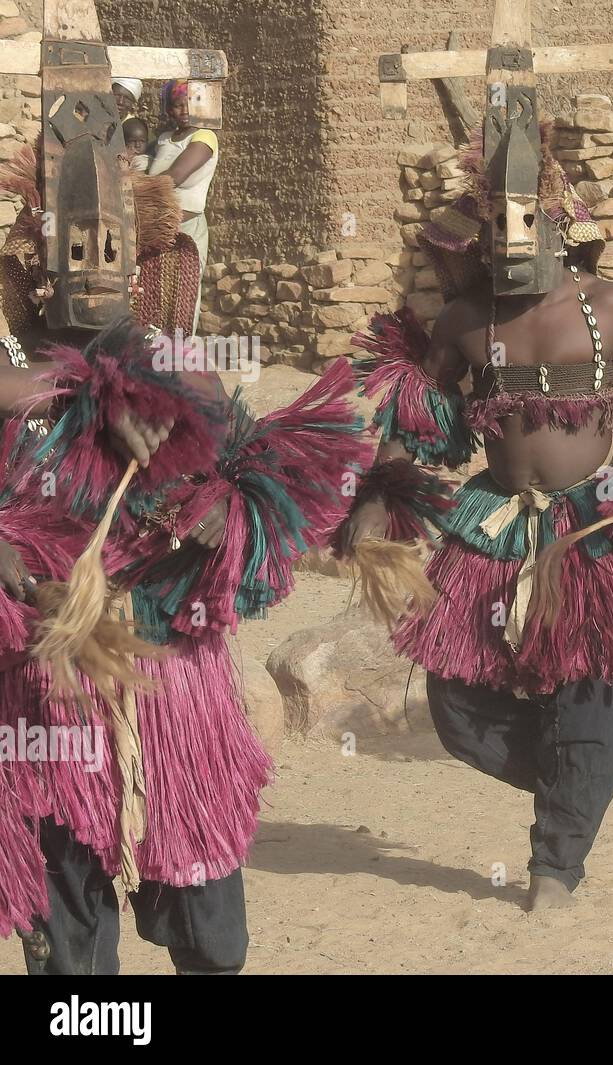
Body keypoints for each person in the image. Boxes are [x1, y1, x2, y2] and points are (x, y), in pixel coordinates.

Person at [0, 69, 369, 972]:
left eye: (106, 247)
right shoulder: (14, 386)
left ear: (140, 255)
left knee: (210, 926)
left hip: (172, 671)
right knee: (71, 935)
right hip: (49, 681)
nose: (88, 265)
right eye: (69, 247)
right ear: (38, 256)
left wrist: (221, 510)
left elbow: (268, 485)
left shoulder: (186, 375)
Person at [334, 106, 613, 911]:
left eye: (526, 231)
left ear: (559, 228)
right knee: (454, 701)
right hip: (491, 524)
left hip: (595, 526)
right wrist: (379, 502)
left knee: (592, 691)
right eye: (494, 238)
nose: (508, 251)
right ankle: (574, 774)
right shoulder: (463, 320)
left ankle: (556, 857)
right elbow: (411, 418)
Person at [148, 81, 219, 330]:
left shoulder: (204, 136)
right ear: (169, 110)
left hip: (188, 228)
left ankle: (181, 352)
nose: (185, 111)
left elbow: (175, 177)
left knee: (183, 293)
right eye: (178, 105)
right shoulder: (165, 139)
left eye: (190, 104)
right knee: (156, 292)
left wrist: (136, 190)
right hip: (159, 230)